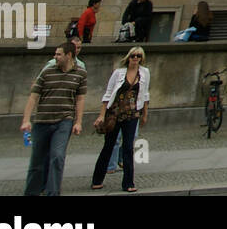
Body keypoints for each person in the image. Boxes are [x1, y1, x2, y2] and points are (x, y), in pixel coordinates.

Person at [20, 42, 87, 196]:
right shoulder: (47, 72)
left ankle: (53, 193)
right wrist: (26, 120)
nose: (55, 57)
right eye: (55, 54)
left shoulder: (81, 74)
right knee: (37, 161)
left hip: (64, 121)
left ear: (69, 55)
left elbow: (80, 99)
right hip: (42, 121)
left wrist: (78, 122)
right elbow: (33, 97)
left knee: (57, 156)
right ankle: (32, 192)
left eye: (58, 54)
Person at [91, 48, 150, 193]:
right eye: (133, 56)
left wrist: (144, 114)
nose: (135, 58)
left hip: (132, 114)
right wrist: (101, 115)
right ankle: (97, 179)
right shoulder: (119, 73)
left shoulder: (144, 73)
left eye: (138, 56)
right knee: (109, 146)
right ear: (128, 57)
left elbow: (145, 94)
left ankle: (128, 183)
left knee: (128, 148)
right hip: (114, 114)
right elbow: (108, 94)